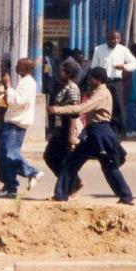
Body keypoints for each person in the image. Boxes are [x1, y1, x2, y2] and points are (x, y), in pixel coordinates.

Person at [49, 68, 135, 205]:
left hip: (100, 133)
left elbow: (81, 108)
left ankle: (126, 196)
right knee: (72, 162)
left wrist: (56, 109)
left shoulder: (101, 94)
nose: (88, 81)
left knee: (109, 166)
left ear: (98, 79)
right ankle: (61, 195)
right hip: (92, 133)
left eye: (90, 78)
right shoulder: (96, 92)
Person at [0, 58, 43, 197]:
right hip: (14, 122)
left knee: (9, 155)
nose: (15, 68)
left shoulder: (27, 83)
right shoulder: (25, 82)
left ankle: (31, 172)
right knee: (3, 156)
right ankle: (9, 185)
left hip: (16, 123)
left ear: (23, 69)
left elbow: (17, 101)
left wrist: (8, 86)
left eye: (18, 66)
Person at [90, 31, 136, 136]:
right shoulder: (99, 49)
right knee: (102, 105)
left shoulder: (123, 50)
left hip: (117, 82)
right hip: (103, 82)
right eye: (112, 38)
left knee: (119, 106)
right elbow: (94, 67)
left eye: (117, 38)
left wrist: (124, 67)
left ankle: (120, 131)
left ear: (120, 39)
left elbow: (135, 64)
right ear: (107, 39)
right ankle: (104, 129)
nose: (114, 40)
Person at [44, 57, 82, 187]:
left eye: (61, 71)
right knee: (50, 156)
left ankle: (69, 186)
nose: (58, 74)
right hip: (58, 127)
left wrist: (72, 134)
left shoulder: (72, 88)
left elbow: (74, 113)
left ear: (68, 73)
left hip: (66, 127)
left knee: (61, 157)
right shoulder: (61, 87)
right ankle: (72, 183)